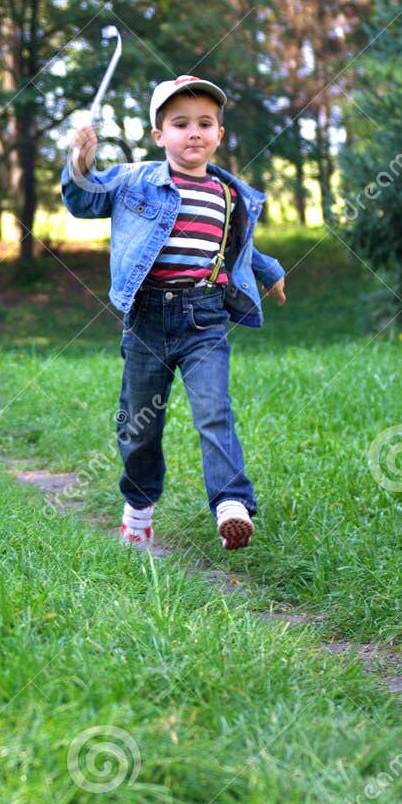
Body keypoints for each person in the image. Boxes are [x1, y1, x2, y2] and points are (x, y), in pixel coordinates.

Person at [60, 75, 287, 551]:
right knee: (139, 425)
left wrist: (269, 270)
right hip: (148, 320)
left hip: (205, 318)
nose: (194, 133)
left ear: (219, 135)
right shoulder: (132, 180)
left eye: (205, 123)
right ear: (159, 134)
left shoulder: (229, 194)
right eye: (180, 124)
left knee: (213, 411)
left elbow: (238, 245)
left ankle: (231, 504)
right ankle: (138, 510)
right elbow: (82, 200)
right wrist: (79, 160)